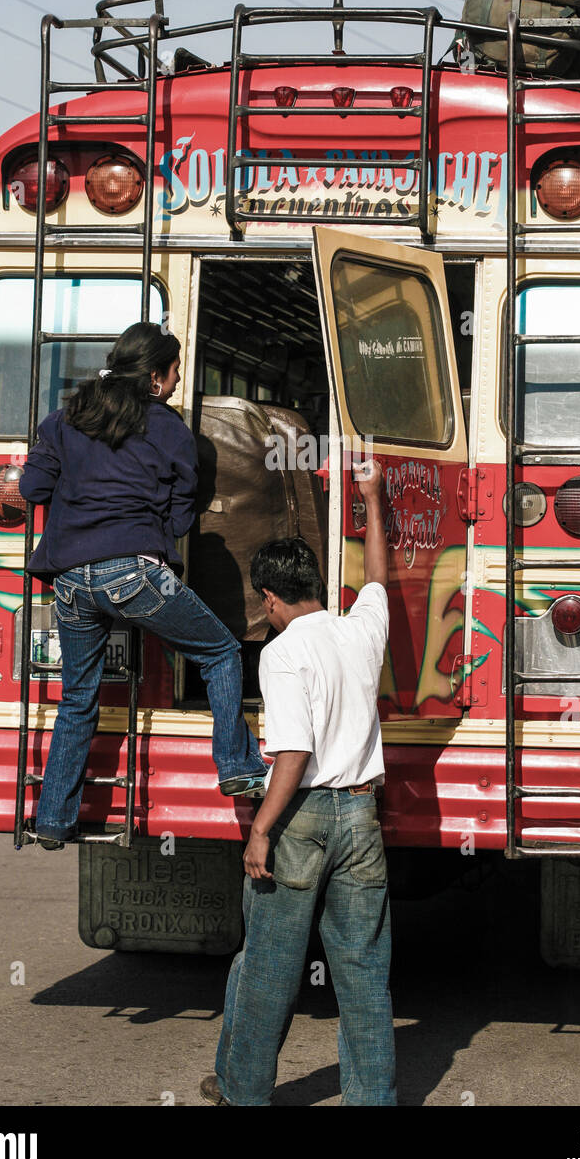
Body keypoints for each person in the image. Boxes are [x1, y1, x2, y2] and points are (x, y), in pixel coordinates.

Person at [17, 321, 268, 848]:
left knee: (78, 697)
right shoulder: (172, 429)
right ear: (155, 376)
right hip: (132, 573)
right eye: (174, 372)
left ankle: (53, 819)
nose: (177, 383)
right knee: (221, 652)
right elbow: (180, 517)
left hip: (68, 581)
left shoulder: (64, 419)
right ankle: (238, 768)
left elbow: (33, 487)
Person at [203, 458, 396, 1106]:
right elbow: (377, 577)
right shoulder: (361, 631)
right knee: (365, 970)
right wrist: (371, 502)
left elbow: (291, 753)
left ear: (272, 599)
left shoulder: (284, 653)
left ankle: (244, 1090)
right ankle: (372, 1099)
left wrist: (260, 831)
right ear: (316, 584)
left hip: (303, 819)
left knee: (271, 965)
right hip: (362, 816)